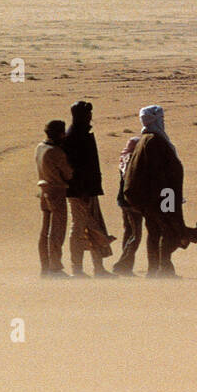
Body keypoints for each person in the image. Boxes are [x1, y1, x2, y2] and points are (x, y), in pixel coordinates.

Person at [121, 105, 186, 277]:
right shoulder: (155, 141)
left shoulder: (146, 139)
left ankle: (155, 269)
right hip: (162, 195)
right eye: (161, 119)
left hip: (152, 196)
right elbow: (159, 174)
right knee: (168, 230)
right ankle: (163, 269)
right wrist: (166, 200)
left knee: (155, 231)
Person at [62, 100, 114, 277]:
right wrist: (81, 190)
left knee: (93, 227)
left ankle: (98, 268)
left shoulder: (81, 133)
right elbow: (73, 168)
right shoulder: (74, 136)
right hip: (80, 192)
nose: (90, 117)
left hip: (88, 190)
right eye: (87, 113)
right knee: (79, 228)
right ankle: (77, 269)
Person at [35, 120, 72, 277]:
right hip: (56, 192)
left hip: (44, 191)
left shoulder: (40, 147)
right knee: (56, 232)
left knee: (45, 232)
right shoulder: (55, 152)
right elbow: (68, 174)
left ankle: (45, 267)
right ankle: (55, 268)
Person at [112, 134, 143, 275]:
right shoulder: (134, 160)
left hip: (122, 200)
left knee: (129, 231)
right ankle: (122, 264)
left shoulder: (124, 158)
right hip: (132, 201)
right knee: (136, 234)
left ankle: (127, 266)